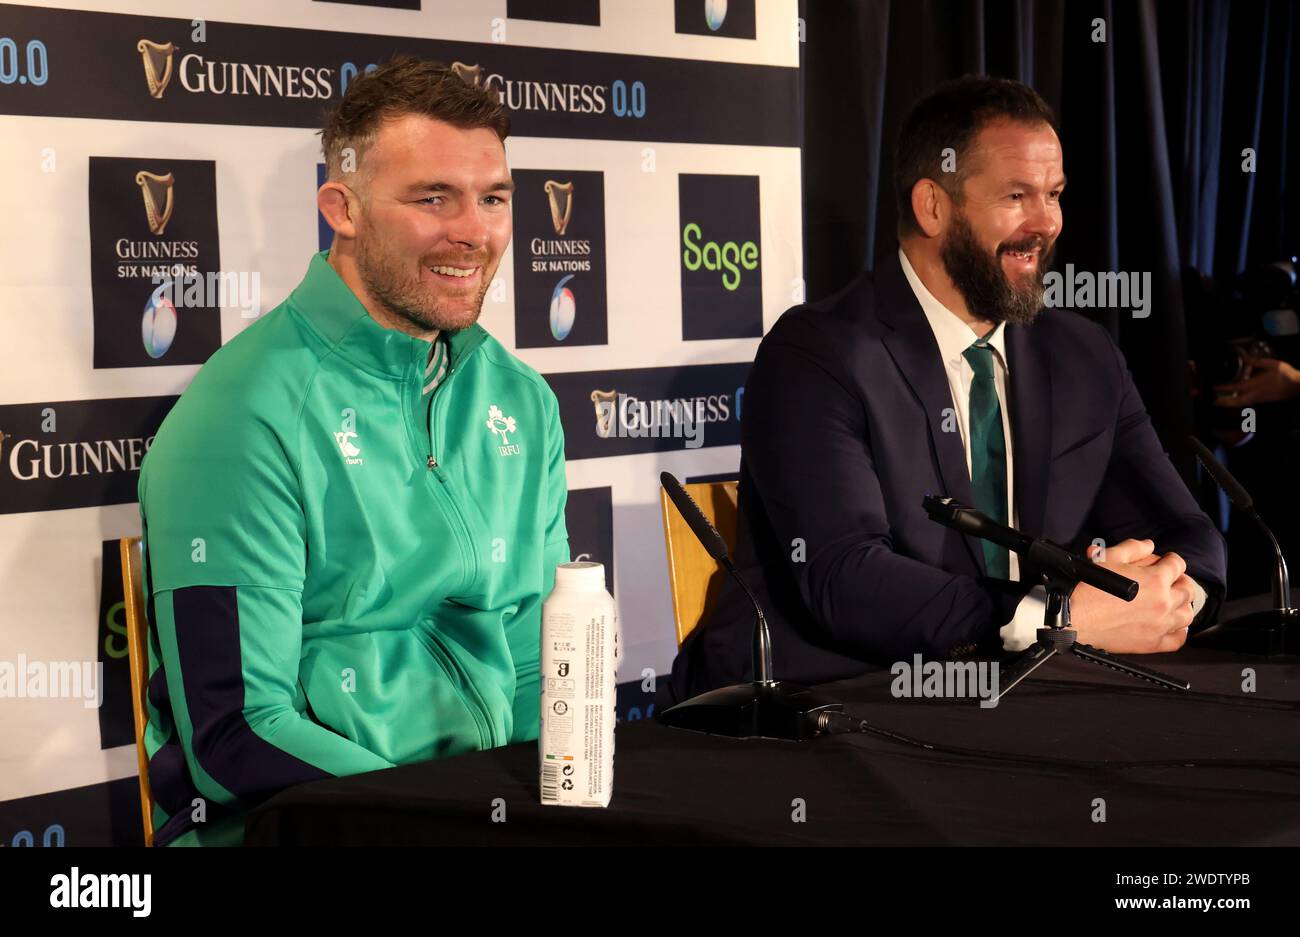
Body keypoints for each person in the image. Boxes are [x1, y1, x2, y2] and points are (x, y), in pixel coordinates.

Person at [666, 76, 1227, 702]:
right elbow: (842, 578)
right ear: (933, 206)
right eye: (1017, 196)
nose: (1046, 223)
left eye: (1055, 194)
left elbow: (1188, 531)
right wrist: (1058, 621)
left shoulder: (1082, 354)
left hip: (1024, 694)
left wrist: (1171, 598)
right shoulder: (817, 354)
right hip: (835, 700)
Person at [138, 56, 569, 845]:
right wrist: (447, 817)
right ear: (344, 208)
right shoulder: (239, 415)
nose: (474, 231)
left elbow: (537, 659)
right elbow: (236, 732)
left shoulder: (521, 400)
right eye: (433, 197)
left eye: (494, 198)